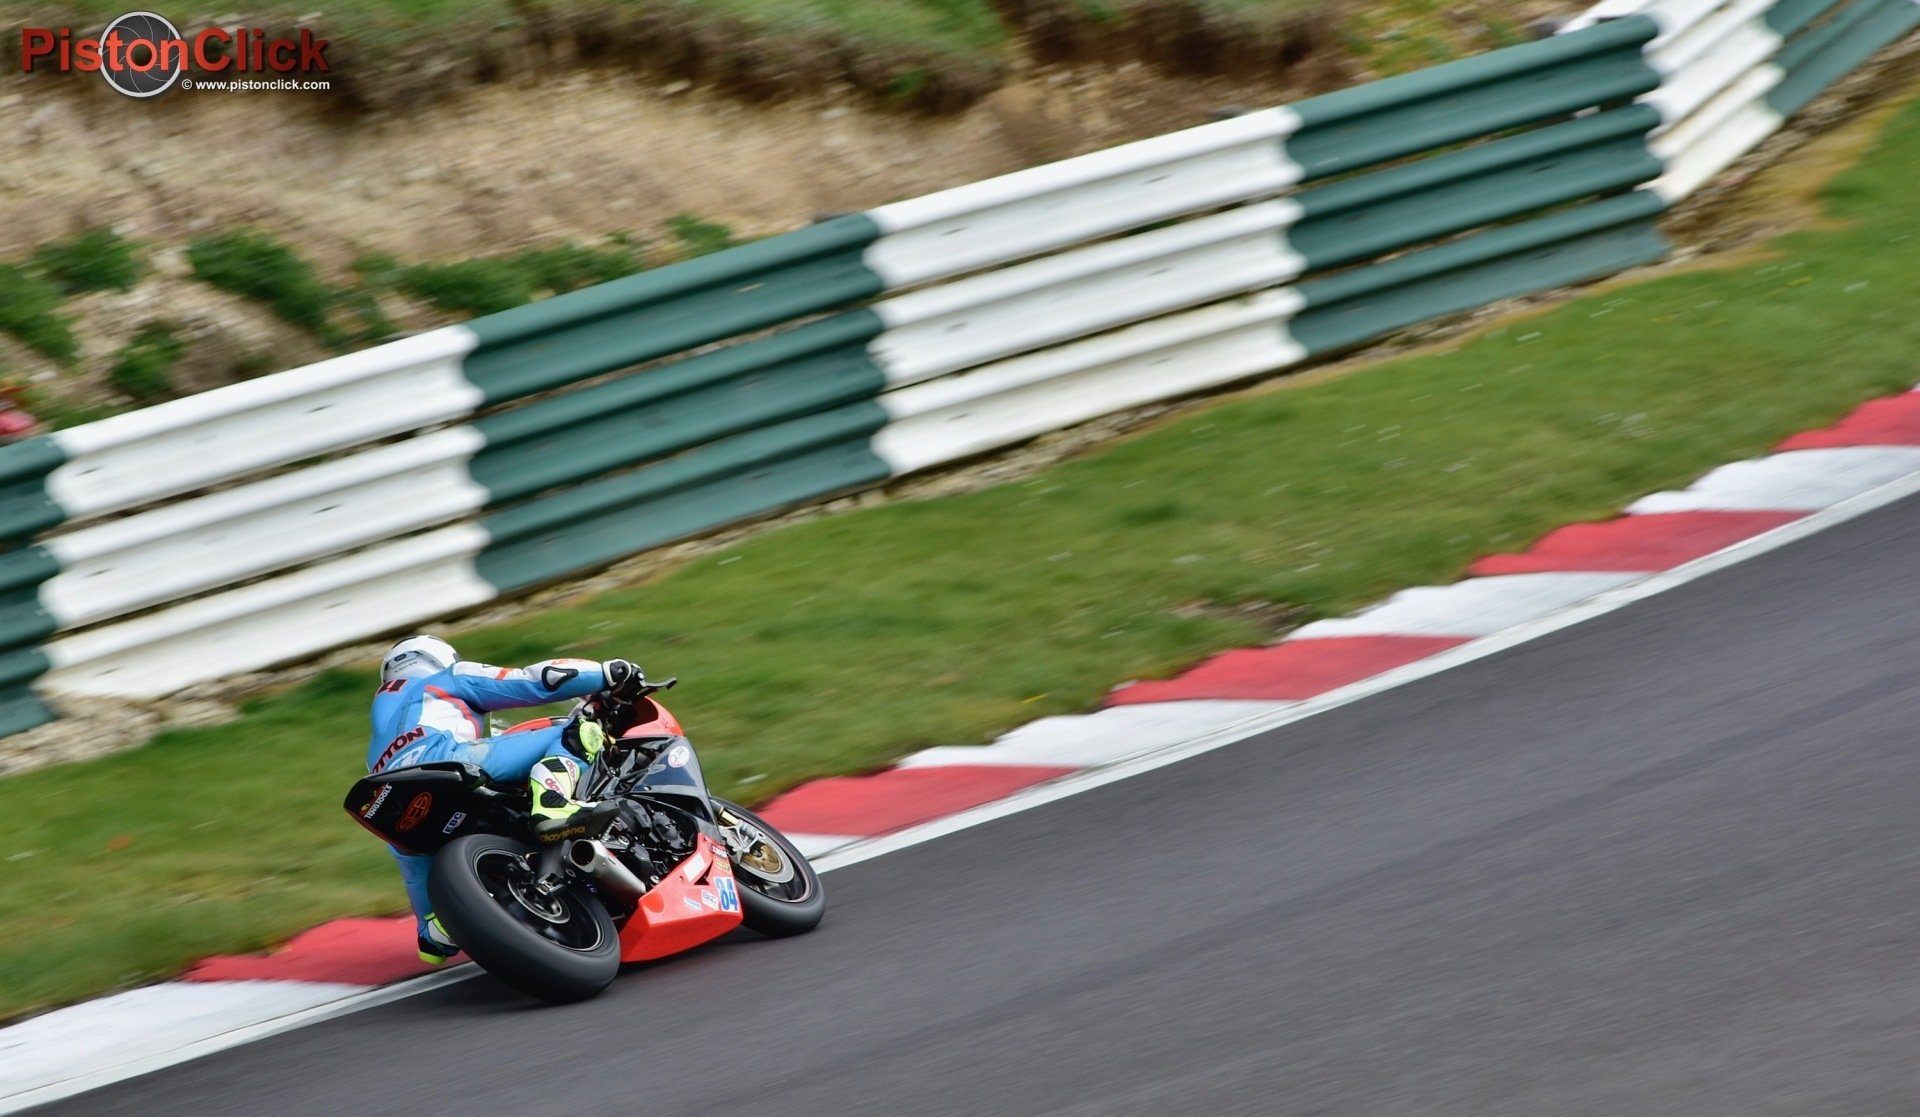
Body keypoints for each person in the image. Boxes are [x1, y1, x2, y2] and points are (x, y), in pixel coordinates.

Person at [365, 634, 645, 964]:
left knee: (410, 844)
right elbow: (539, 681)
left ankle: (438, 928)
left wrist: (432, 921)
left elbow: (410, 861)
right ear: (439, 658)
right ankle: (552, 803)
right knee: (579, 732)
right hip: (449, 759)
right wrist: (609, 673)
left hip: (394, 801)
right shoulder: (444, 680)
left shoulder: (374, 752)